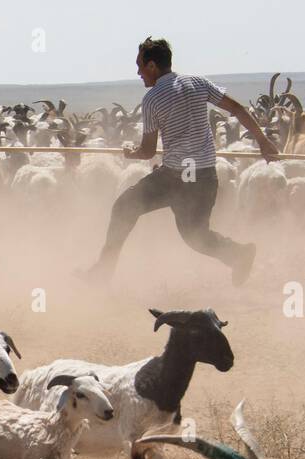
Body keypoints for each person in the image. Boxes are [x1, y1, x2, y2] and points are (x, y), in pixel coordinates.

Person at [81, 37, 279, 285]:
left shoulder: (153, 99)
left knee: (124, 208)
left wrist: (131, 152)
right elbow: (237, 109)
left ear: (152, 65)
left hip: (175, 177)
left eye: (140, 66)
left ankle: (103, 270)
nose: (138, 72)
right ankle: (238, 254)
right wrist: (262, 141)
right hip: (204, 175)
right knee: (196, 236)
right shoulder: (198, 82)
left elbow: (148, 151)